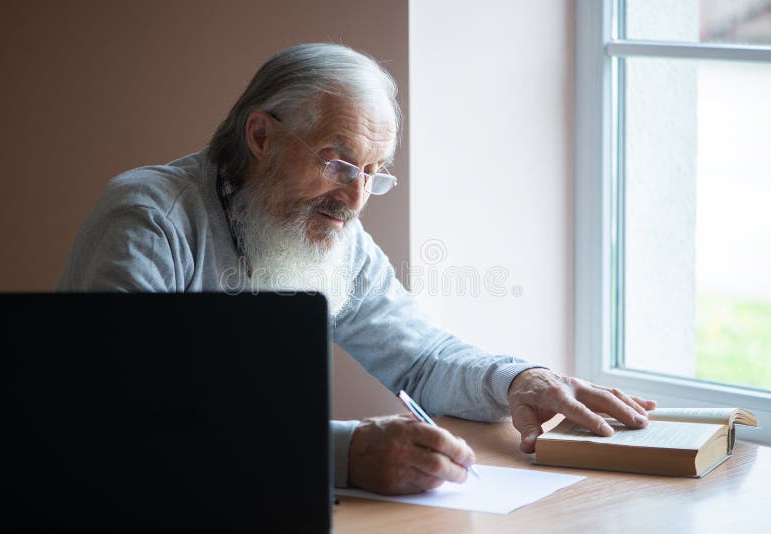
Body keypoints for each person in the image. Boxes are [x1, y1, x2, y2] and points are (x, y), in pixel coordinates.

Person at [59, 42, 656, 496]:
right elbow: (119, 418)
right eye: (338, 162)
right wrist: (344, 454)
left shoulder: (330, 231)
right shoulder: (148, 218)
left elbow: (421, 360)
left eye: (373, 172)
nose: (355, 198)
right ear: (262, 135)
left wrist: (518, 380)